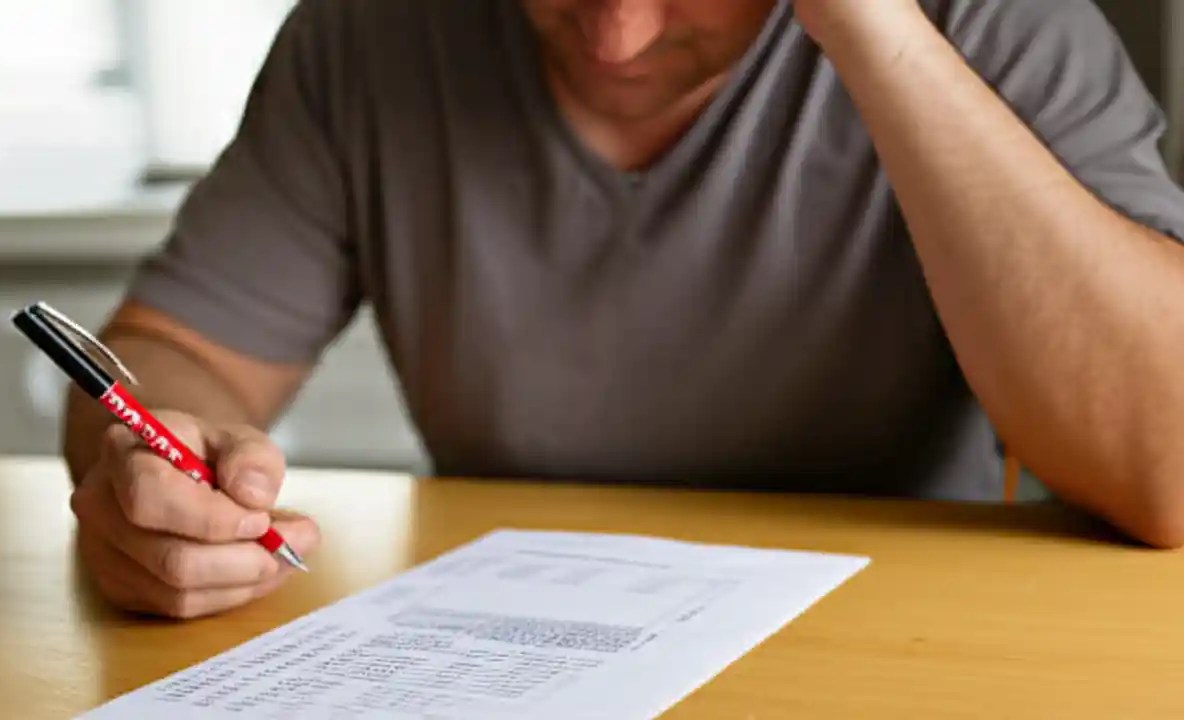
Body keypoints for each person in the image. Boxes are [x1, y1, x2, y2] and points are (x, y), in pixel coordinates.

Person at [63, 0, 1184, 619]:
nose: (616, 38)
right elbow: (170, 351)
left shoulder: (997, 23)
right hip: (507, 652)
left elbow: (1167, 466)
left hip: (904, 655)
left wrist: (876, 30)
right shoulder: (367, 34)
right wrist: (154, 458)